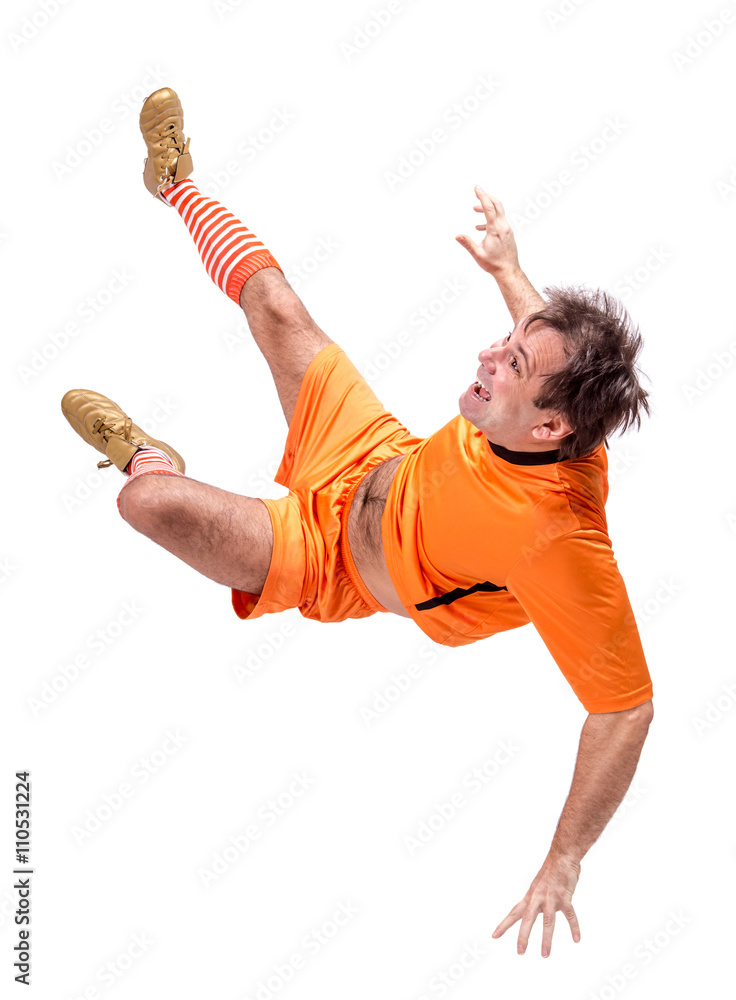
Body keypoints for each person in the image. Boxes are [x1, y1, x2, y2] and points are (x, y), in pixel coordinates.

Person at [61, 88, 654, 958]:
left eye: (512, 360)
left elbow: (626, 709)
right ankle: (175, 181)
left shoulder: (560, 544)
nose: (489, 352)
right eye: (507, 341)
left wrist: (562, 863)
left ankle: (151, 454)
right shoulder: (541, 410)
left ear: (551, 429)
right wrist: (507, 271)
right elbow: (537, 337)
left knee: (146, 505)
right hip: (371, 453)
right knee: (274, 302)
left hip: (331, 561)